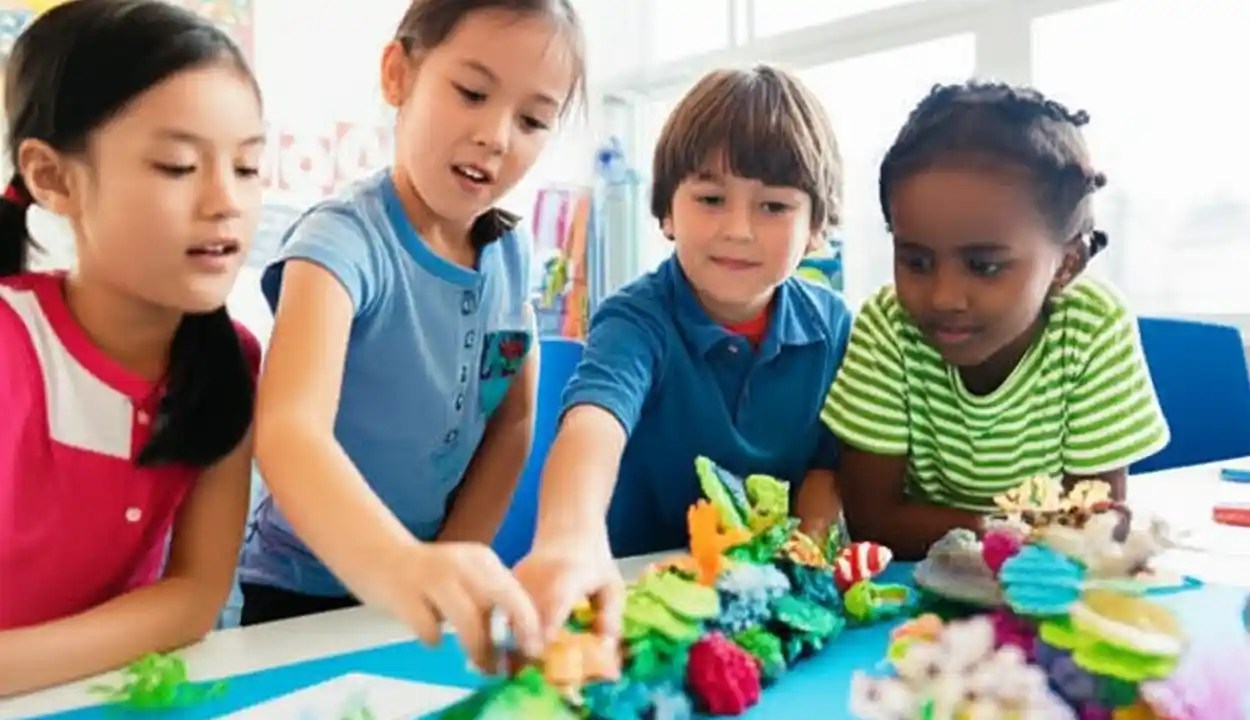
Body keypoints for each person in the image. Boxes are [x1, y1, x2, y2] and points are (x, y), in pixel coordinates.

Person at [241, 0, 584, 669]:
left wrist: (451, 559)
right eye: (472, 92)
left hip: (417, 595)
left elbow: (513, 422)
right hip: (298, 595)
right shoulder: (339, 240)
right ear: (398, 74)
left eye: (533, 119)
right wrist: (399, 567)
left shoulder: (513, 256)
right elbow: (288, 431)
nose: (496, 135)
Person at [516, 65, 850, 639]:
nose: (738, 229)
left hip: (771, 603)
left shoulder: (834, 327)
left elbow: (828, 465)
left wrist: (807, 560)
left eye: (773, 207)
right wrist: (571, 536)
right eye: (711, 198)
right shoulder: (635, 319)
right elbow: (593, 424)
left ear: (817, 226)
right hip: (643, 599)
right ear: (667, 211)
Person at [0, 0, 263, 695]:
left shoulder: (230, 361)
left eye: (247, 166)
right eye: (178, 166)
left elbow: (195, 596)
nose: (225, 200)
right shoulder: (11, 349)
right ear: (53, 178)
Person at [821, 81, 1169, 559]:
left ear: (1066, 265)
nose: (944, 297)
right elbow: (872, 521)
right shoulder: (888, 325)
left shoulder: (1092, 325)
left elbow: (1095, 525)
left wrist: (993, 535)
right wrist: (1019, 532)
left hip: (1043, 593)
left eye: (984, 266)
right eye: (916, 262)